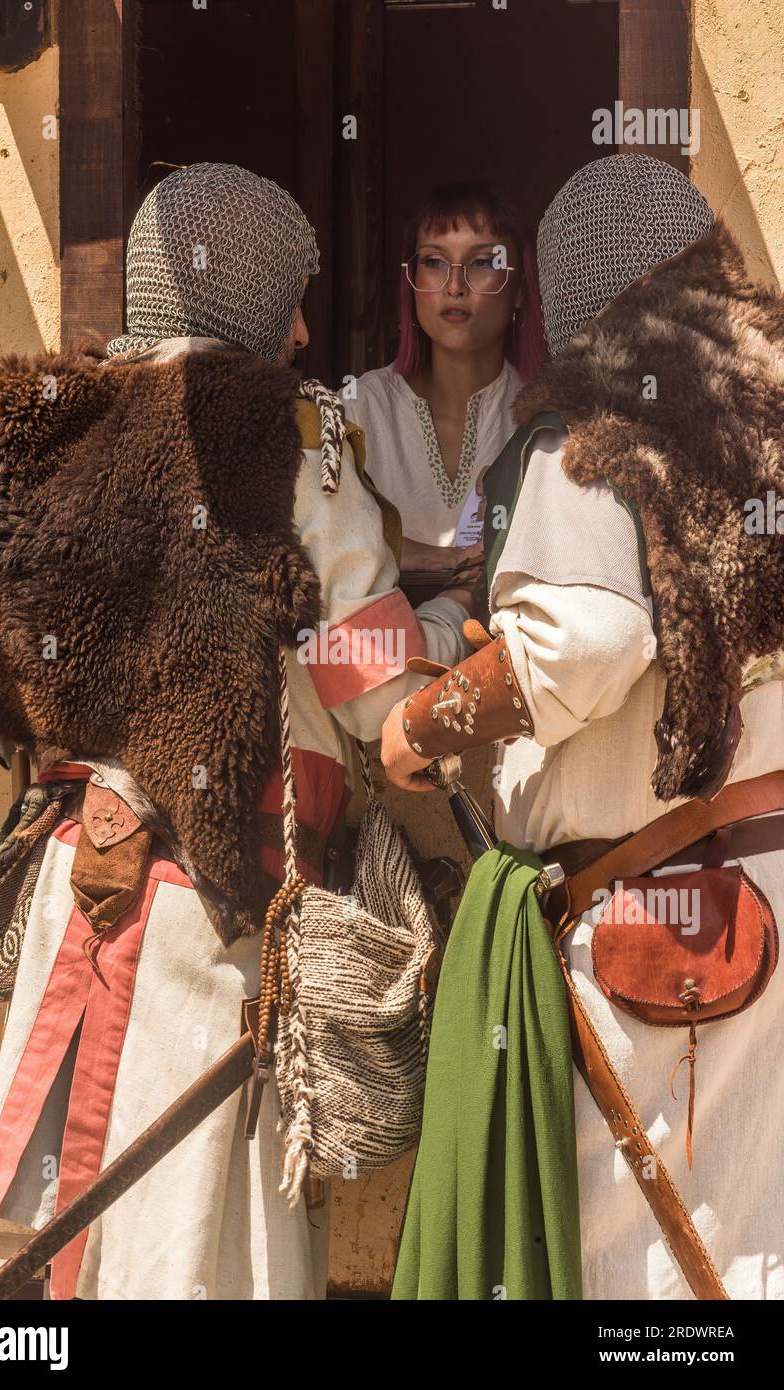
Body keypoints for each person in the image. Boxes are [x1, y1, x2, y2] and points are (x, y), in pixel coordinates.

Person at [0, 163, 473, 1301]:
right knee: (202, 1259)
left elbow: (1, 661)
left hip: (79, 871)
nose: (308, 326)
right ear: (247, 291)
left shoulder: (51, 424)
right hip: (214, 899)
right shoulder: (283, 429)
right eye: (294, 295)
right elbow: (359, 678)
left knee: (71, 1260)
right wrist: (459, 627)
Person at [381, 154, 784, 1299]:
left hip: (655, 921)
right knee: (746, 1241)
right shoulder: (767, 420)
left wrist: (424, 724)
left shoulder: (593, 436)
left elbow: (591, 640)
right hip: (762, 894)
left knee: (640, 1264)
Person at [348, 182, 546, 579]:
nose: (455, 286)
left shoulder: (542, 423)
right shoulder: (359, 409)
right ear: (410, 281)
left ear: (521, 290)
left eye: (483, 262)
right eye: (434, 262)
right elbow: (312, 546)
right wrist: (401, 549)